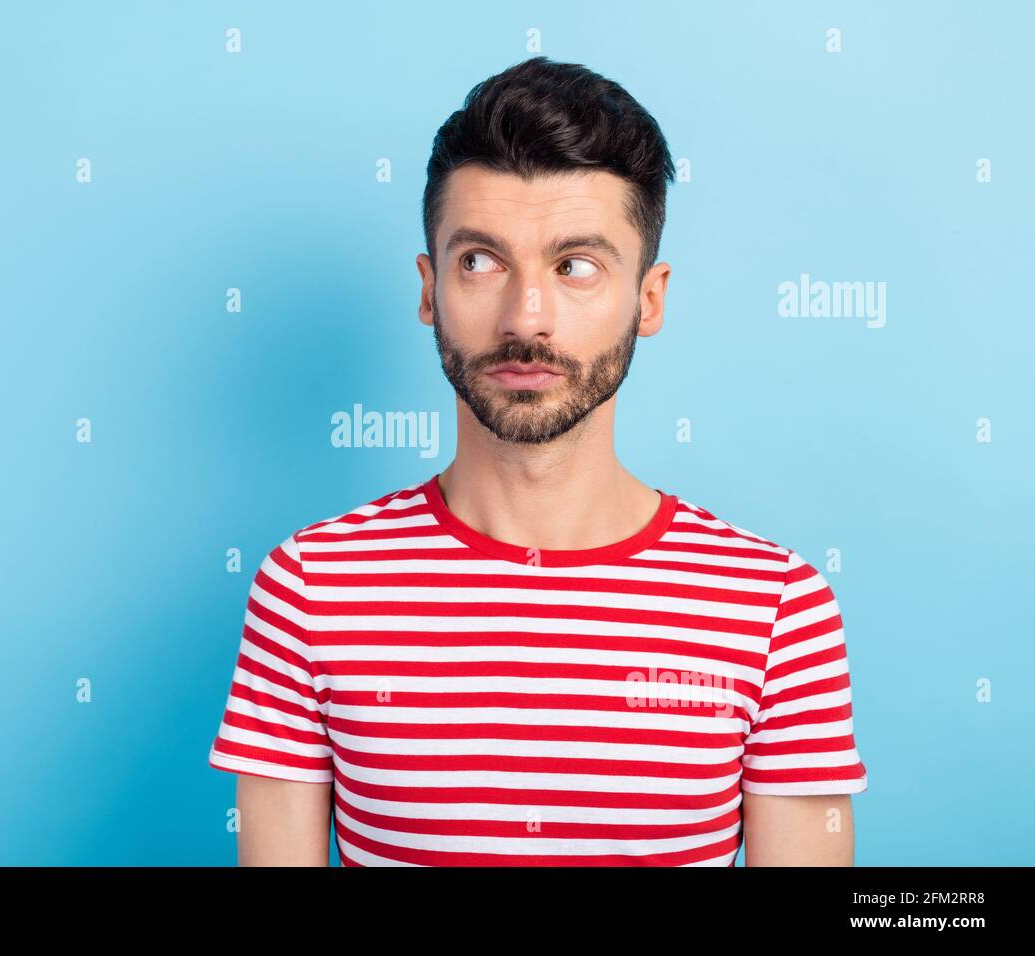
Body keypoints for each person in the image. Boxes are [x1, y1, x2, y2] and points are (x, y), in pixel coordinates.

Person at [208, 56, 868, 866]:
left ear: (648, 299)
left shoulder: (776, 611)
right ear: (429, 290)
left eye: (576, 266)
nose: (528, 315)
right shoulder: (308, 591)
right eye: (480, 261)